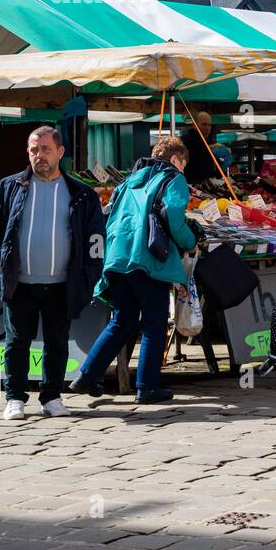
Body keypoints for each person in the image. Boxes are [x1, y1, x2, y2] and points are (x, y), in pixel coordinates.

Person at [0, 127, 105, 422]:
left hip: (61, 284)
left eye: (46, 149)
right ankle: (14, 398)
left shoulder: (81, 194)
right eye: (34, 150)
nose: (40, 156)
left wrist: (89, 274)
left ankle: (51, 396)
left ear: (60, 152)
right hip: (19, 282)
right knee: (16, 343)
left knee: (57, 343)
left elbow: (95, 238)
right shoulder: (9, 187)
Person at [68, 137, 199, 404]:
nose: (183, 170)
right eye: (183, 164)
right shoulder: (173, 178)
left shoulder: (128, 181)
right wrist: (190, 240)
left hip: (117, 258)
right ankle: (147, 387)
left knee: (122, 320)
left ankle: (87, 375)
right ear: (176, 160)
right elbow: (173, 215)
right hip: (148, 258)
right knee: (154, 323)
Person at [180, 111, 217, 184]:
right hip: (191, 186)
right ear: (194, 125)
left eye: (209, 125)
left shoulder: (209, 141)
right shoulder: (186, 141)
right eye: (204, 124)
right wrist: (211, 148)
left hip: (207, 187)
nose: (207, 128)